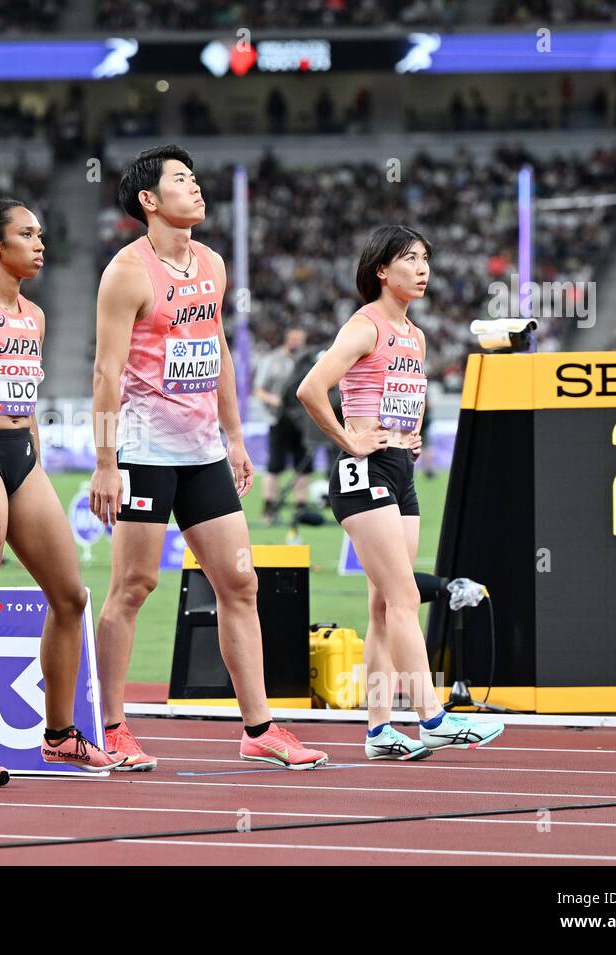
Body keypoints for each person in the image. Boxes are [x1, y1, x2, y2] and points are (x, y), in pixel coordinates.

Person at [89, 144, 329, 772]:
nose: (196, 189)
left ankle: (259, 729)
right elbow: (105, 372)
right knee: (134, 585)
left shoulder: (213, 264)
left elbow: (216, 349)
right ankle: (110, 727)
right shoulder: (127, 272)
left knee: (240, 582)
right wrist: (106, 461)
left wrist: (235, 435)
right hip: (143, 452)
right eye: (181, 181)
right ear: (149, 200)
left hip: (202, 453)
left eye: (196, 179)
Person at [0, 199, 125, 779]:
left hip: (21, 457)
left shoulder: (36, 315)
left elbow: (24, 393)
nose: (40, 244)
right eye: (26, 235)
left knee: (71, 596)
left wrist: (34, 451)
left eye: (41, 234)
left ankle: (61, 734)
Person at [297, 224, 505, 760]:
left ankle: (378, 730)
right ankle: (432, 718)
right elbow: (310, 388)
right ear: (382, 270)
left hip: (399, 471)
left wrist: (404, 435)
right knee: (405, 598)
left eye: (426, 258)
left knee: (385, 607)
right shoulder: (364, 326)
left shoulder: (415, 335)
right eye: (410, 258)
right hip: (362, 473)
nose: (423, 267)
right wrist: (349, 439)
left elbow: (396, 400)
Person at [252, 326, 311, 525]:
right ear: (286, 339)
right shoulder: (272, 360)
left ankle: (300, 509)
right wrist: (274, 399)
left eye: (300, 339)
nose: (297, 342)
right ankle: (268, 509)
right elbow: (258, 390)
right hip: (278, 419)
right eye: (293, 338)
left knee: (304, 465)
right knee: (275, 465)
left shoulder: (308, 361)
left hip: (303, 420)